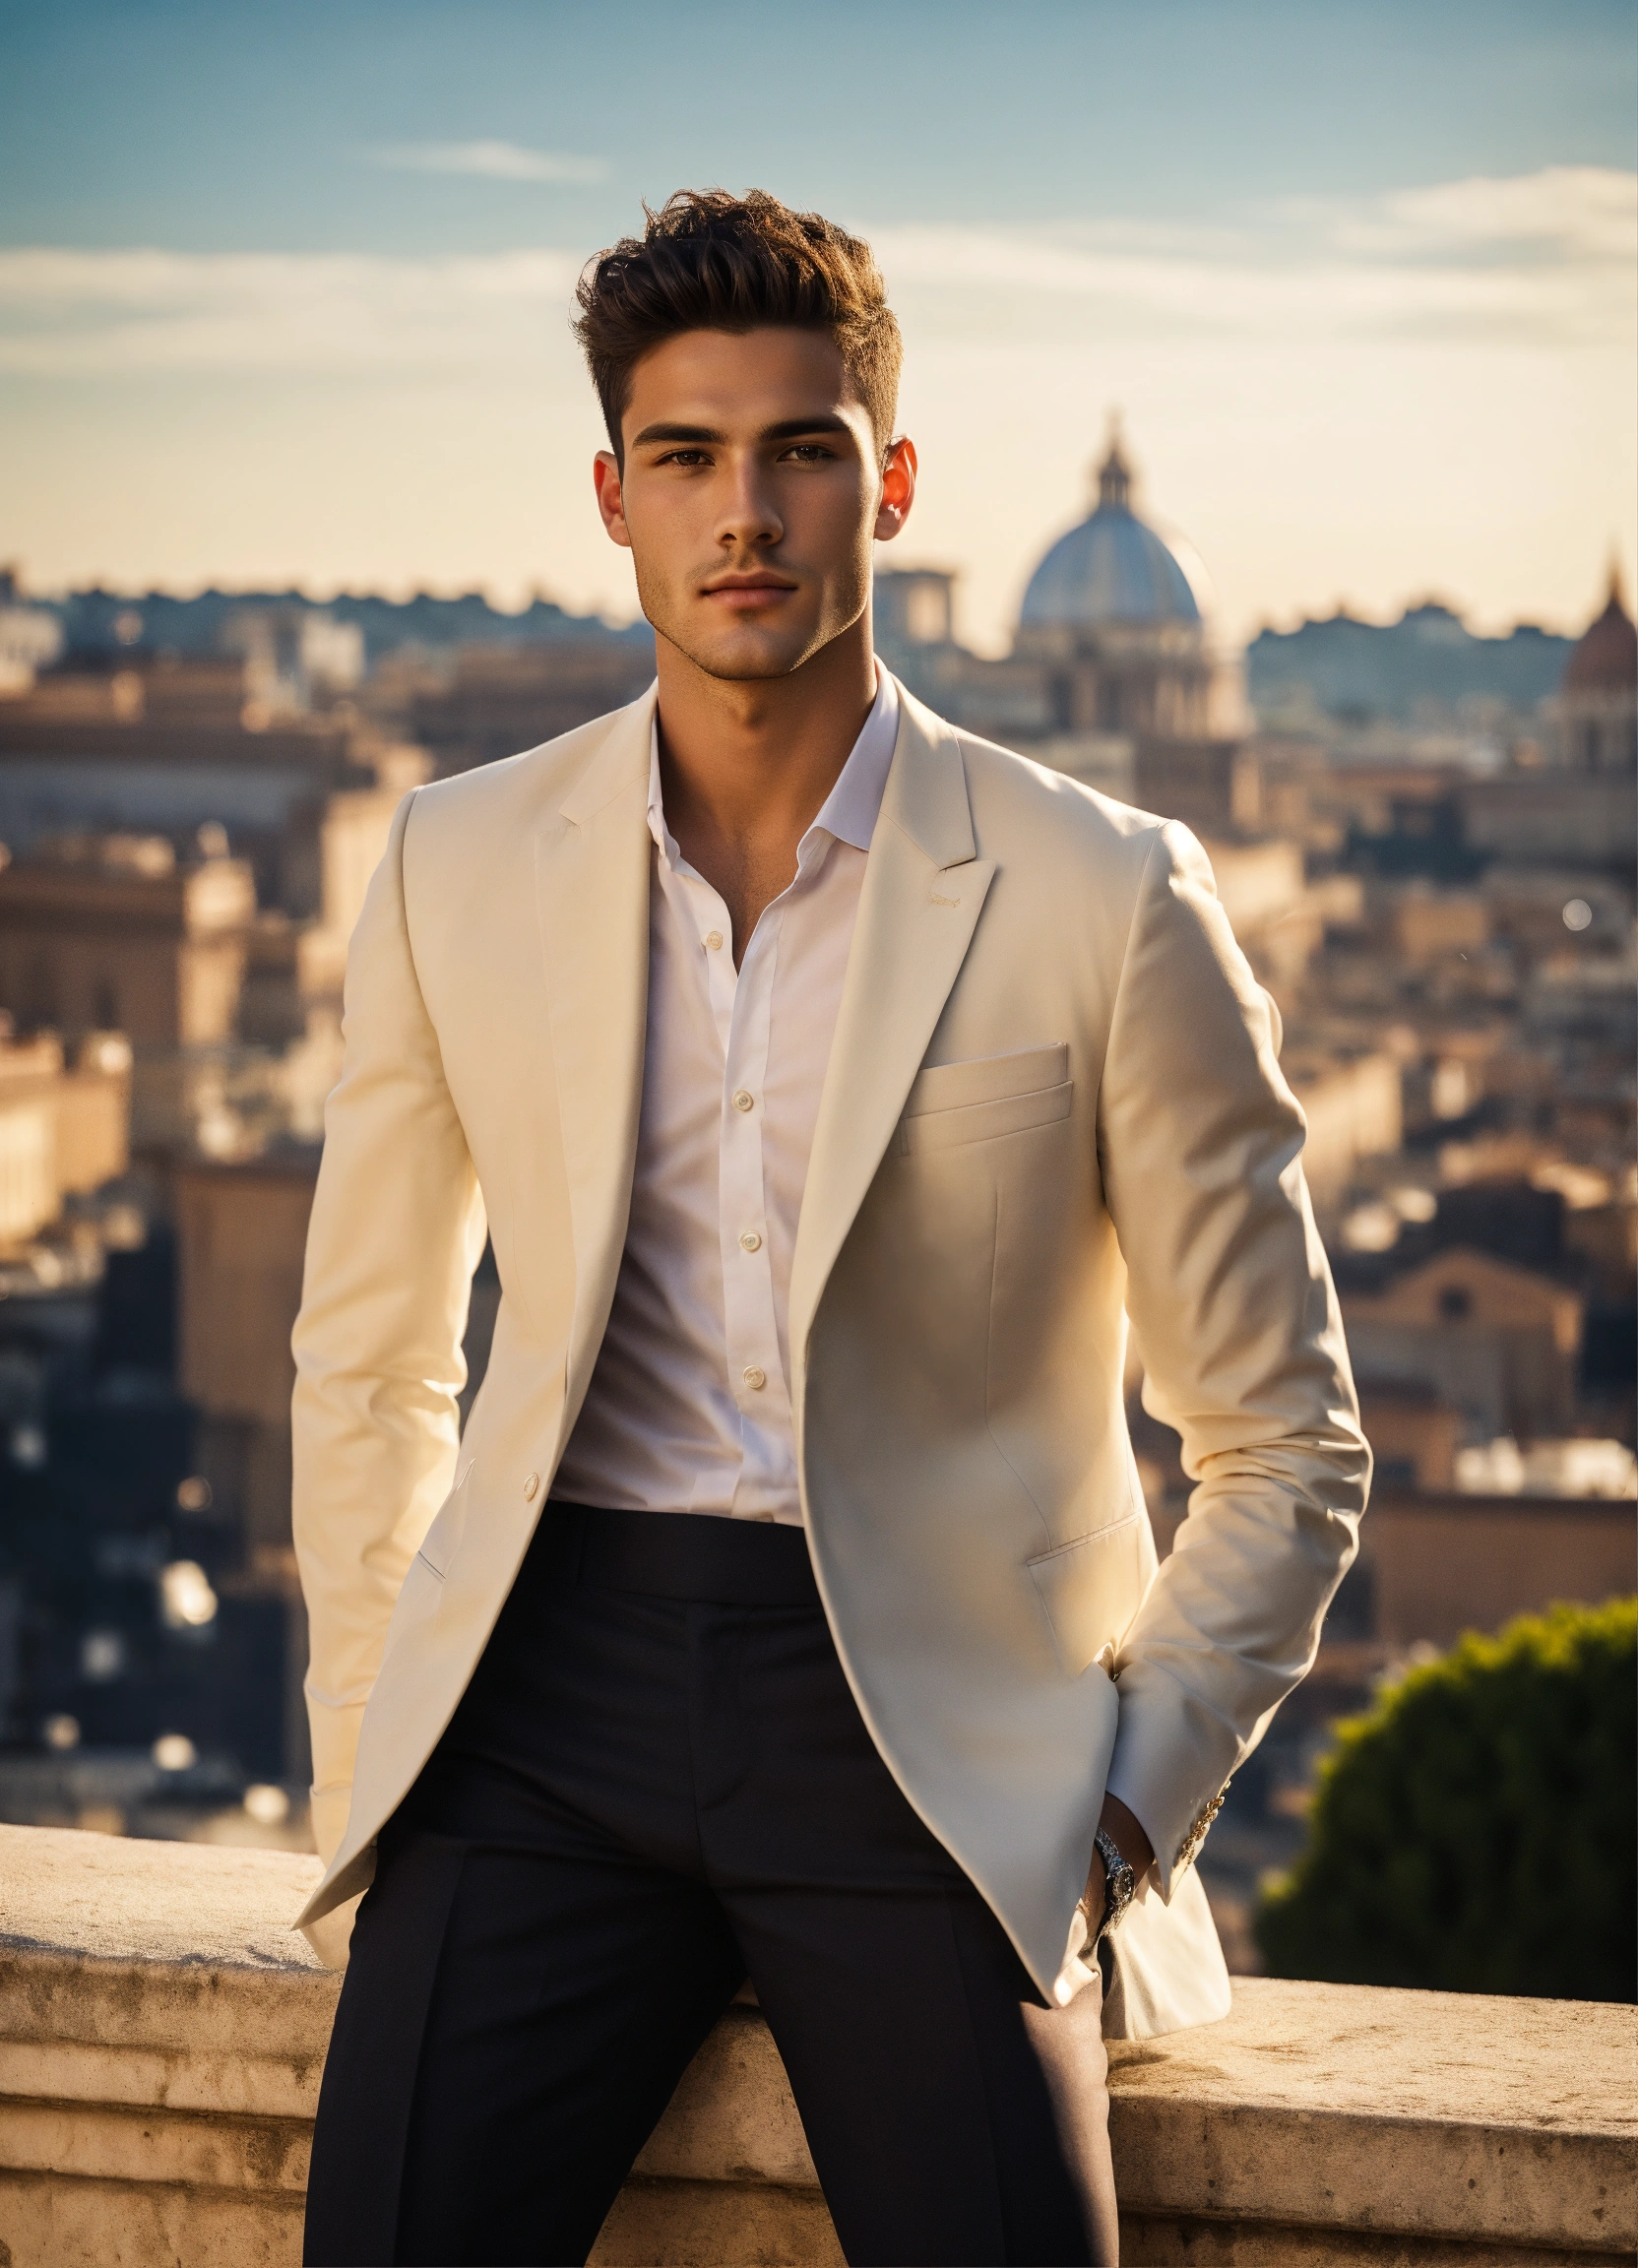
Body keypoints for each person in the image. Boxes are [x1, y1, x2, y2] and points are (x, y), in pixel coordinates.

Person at [294, 188, 1369, 2268]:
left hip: (929, 1730)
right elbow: (368, 1361)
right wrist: (379, 1755)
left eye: (797, 451)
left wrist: (1114, 1818)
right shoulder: (452, 861)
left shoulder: (1105, 889)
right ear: (613, 500)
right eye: (685, 460)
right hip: (538, 1709)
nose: (745, 516)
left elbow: (1286, 1441)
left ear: (884, 481)